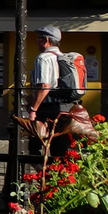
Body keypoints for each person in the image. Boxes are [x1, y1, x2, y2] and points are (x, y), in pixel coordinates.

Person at [28, 25, 69, 155]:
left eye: (38, 38)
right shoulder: (63, 57)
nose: (36, 41)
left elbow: (44, 86)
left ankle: (42, 174)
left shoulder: (43, 58)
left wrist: (34, 109)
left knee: (34, 148)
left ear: (46, 40)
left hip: (47, 109)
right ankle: (58, 174)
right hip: (64, 108)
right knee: (59, 150)